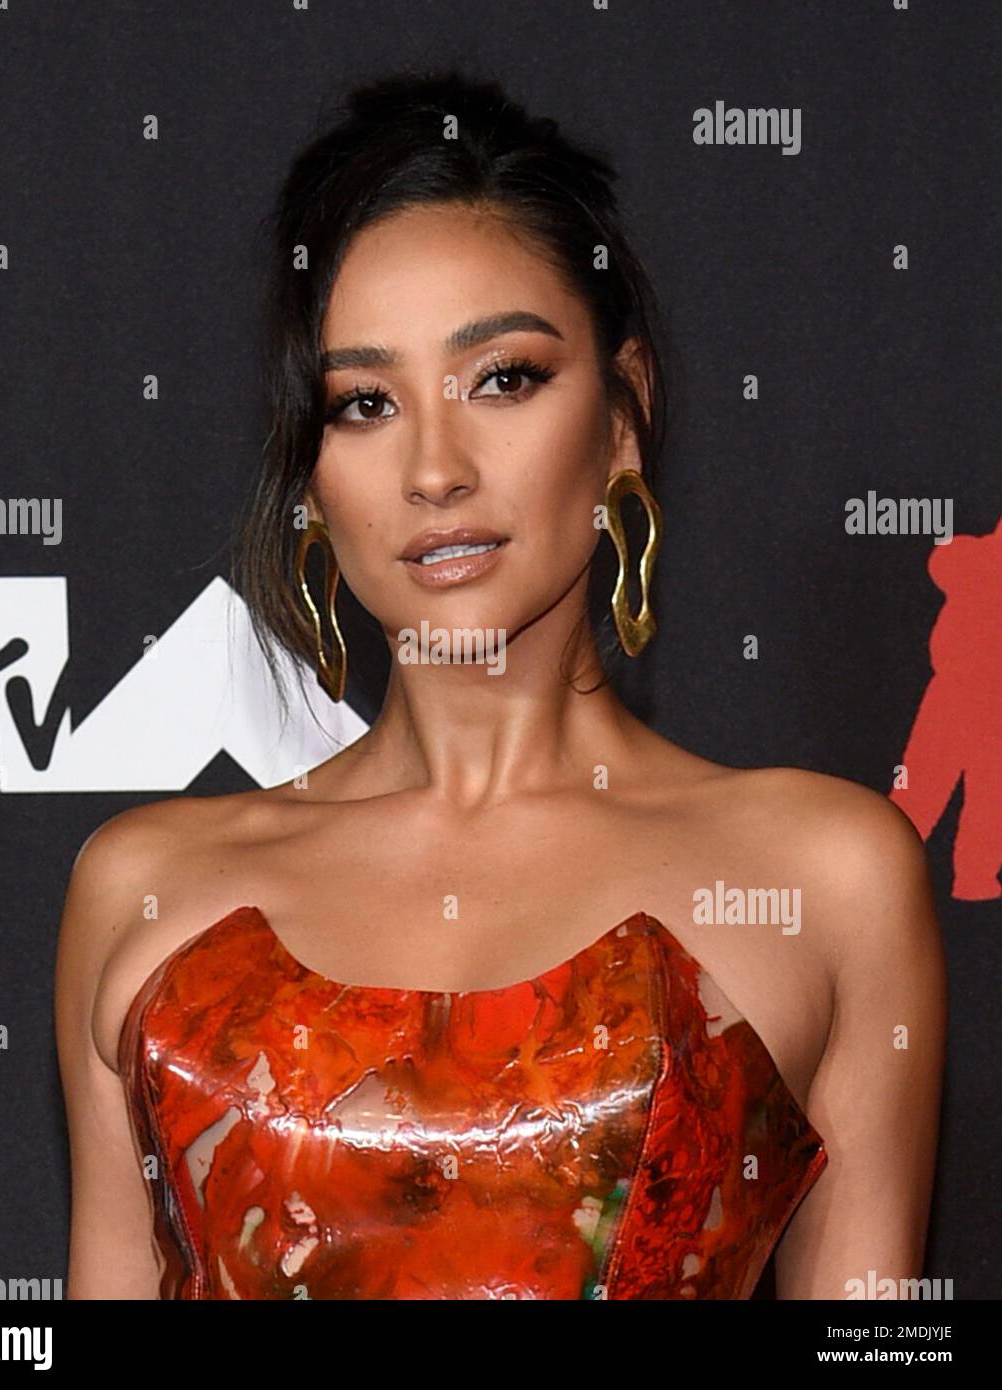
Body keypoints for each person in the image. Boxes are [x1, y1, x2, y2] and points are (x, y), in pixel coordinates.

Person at [55, 69, 945, 1300]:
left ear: (623, 413)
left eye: (504, 378)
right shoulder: (145, 892)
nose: (435, 468)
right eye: (365, 403)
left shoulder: (826, 874)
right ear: (312, 484)